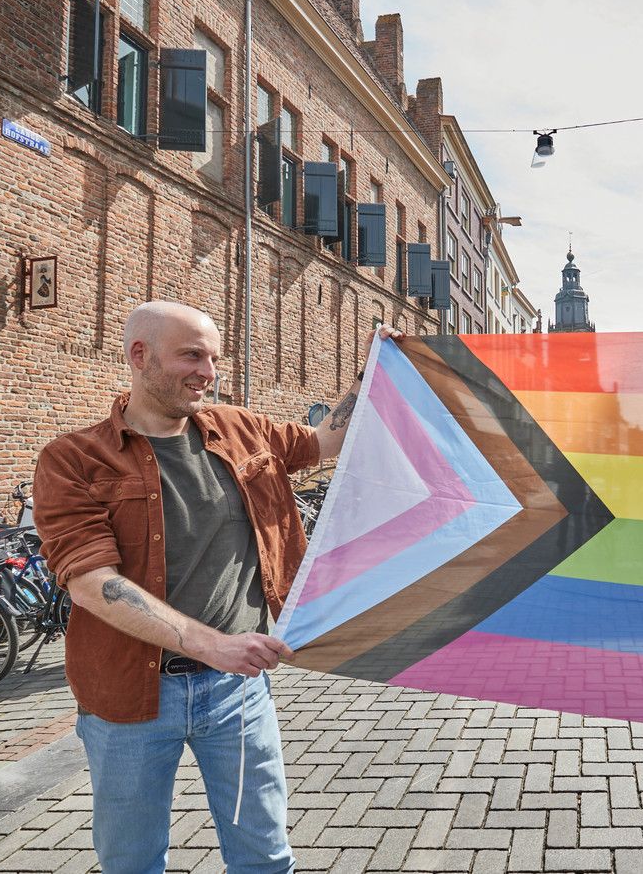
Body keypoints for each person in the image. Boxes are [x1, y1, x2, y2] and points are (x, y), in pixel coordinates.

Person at [33, 301, 399, 874]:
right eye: (192, 356)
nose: (208, 372)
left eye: (214, 358)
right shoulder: (73, 459)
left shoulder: (241, 428)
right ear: (139, 356)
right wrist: (212, 645)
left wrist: (372, 373)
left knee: (264, 858)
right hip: (128, 699)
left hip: (237, 694)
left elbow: (326, 441)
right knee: (131, 863)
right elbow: (91, 583)